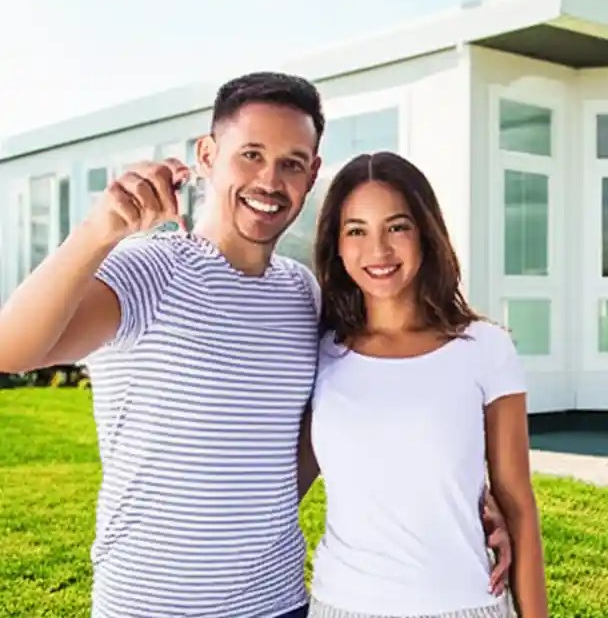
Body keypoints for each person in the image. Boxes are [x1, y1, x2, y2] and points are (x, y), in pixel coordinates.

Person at [0, 72, 512, 618]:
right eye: (250, 155)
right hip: (149, 604)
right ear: (207, 155)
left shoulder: (303, 295)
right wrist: (97, 231)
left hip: (277, 603)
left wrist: (471, 497)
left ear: (312, 174)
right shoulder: (145, 271)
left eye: (292, 162)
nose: (269, 180)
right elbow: (12, 352)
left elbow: (352, 416)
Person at [300, 151, 548, 618]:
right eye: (357, 230)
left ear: (425, 233)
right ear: (336, 243)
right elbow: (281, 481)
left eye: (397, 226)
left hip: (464, 604)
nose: (379, 251)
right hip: (342, 605)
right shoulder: (319, 349)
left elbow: (517, 506)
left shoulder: (486, 349)